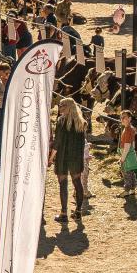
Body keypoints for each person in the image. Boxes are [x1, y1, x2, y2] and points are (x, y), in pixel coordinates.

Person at [49, 96, 89, 226]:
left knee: (63, 184)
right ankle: (78, 211)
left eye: (62, 106)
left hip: (63, 157)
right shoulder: (81, 123)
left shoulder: (61, 122)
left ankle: (64, 213)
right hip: (76, 156)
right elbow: (82, 143)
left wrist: (50, 158)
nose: (59, 108)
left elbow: (57, 143)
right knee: (77, 183)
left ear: (69, 107)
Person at [117, 110, 137, 195]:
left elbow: (127, 146)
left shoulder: (127, 130)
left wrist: (122, 159)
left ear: (130, 118)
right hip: (131, 154)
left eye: (124, 117)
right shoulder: (131, 128)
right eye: (121, 118)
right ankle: (132, 189)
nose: (122, 119)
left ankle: (127, 190)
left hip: (127, 155)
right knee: (131, 173)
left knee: (126, 173)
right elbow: (133, 144)